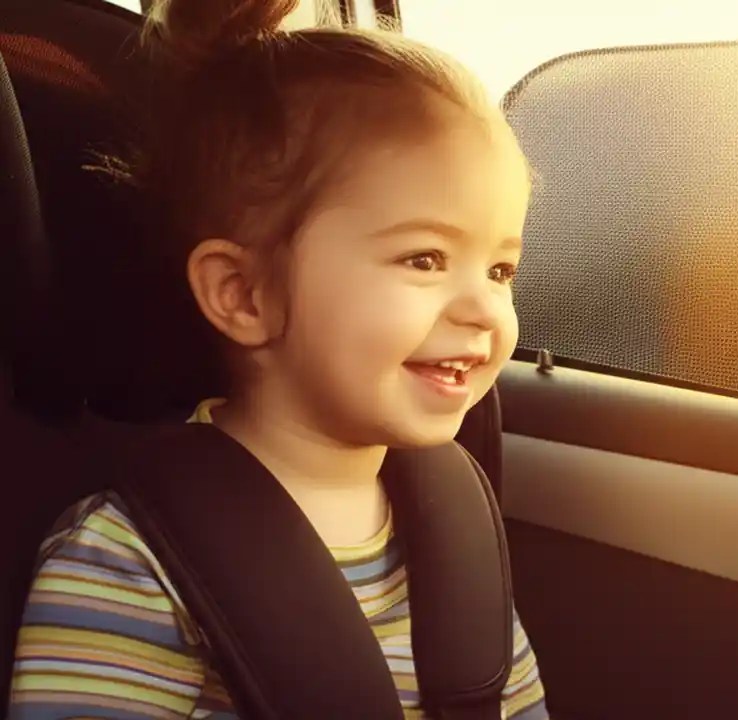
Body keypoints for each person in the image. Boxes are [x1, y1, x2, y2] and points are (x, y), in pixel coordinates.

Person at [6, 0, 548, 716]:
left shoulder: (453, 518)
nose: (484, 309)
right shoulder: (131, 559)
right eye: (424, 259)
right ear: (245, 294)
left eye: (500, 271)